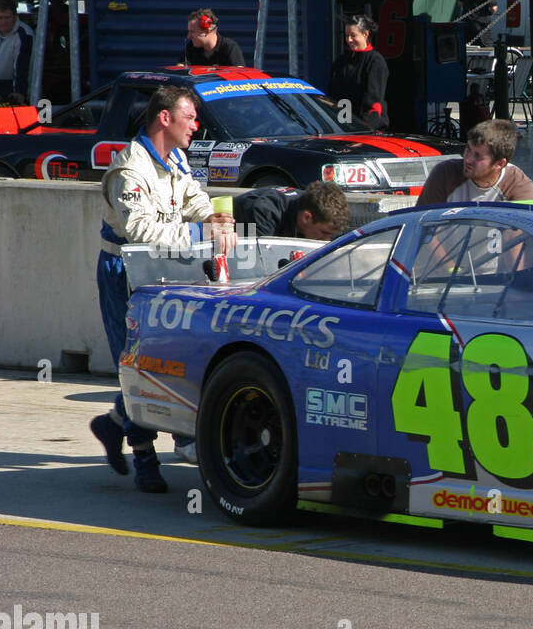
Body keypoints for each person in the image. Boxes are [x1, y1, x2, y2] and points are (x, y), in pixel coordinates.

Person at [90, 85, 236, 493]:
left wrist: (214, 218)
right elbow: (139, 231)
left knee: (164, 361)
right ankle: (145, 458)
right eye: (190, 117)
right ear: (165, 118)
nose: (197, 125)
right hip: (126, 271)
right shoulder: (128, 169)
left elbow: (193, 197)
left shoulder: (177, 158)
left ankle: (114, 422)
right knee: (133, 361)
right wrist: (198, 229)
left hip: (167, 269)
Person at [415, 118, 533, 205]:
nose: (467, 159)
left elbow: (517, 236)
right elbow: (423, 227)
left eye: (478, 156)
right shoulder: (445, 173)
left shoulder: (518, 185)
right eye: (468, 149)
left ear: (500, 164)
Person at [328, 14, 388, 130]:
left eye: (353, 35)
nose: (349, 40)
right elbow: (333, 97)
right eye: (347, 36)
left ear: (366, 34)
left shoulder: (375, 61)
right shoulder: (341, 61)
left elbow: (373, 101)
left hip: (368, 129)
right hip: (343, 127)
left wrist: (365, 130)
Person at [233, 181, 350, 240]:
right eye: (324, 233)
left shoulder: (310, 204)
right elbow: (250, 262)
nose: (327, 240)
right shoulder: (263, 211)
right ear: (306, 217)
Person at [0, 0, 32, 103]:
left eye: (7, 18)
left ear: (15, 17)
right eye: (0, 18)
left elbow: (23, 66)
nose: (4, 22)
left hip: (10, 90)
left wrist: (20, 92)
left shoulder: (24, 34)